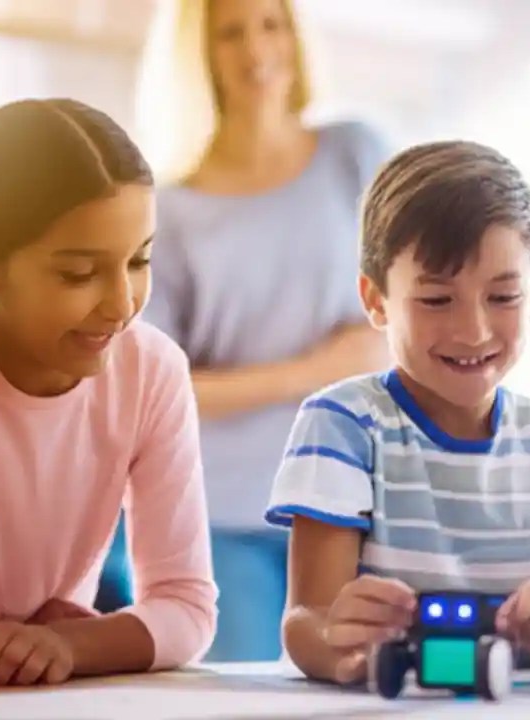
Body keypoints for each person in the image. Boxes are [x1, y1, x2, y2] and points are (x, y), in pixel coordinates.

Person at [267, 140, 530, 685]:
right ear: (375, 300)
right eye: (437, 300)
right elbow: (307, 621)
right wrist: (337, 643)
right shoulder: (343, 425)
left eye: (503, 298)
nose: (474, 331)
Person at [0, 98, 216, 688]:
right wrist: (47, 647)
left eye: (139, 259)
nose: (122, 305)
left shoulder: (152, 372)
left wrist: (67, 644)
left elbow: (187, 608)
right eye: (78, 273)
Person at [107, 0, 393, 661]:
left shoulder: (356, 153)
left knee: (372, 689)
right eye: (230, 33)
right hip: (222, 514)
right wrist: (310, 372)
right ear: (199, 55)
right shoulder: (168, 208)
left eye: (270, 24)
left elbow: (404, 308)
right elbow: (156, 383)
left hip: (355, 496)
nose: (255, 48)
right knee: (248, 697)